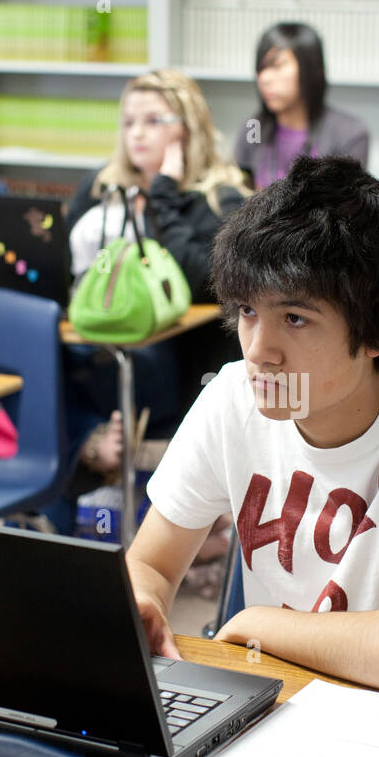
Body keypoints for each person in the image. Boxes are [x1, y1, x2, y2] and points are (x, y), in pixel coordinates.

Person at [128, 156, 379, 757]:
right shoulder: (232, 399)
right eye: (247, 312)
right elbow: (150, 560)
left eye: (294, 318)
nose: (259, 349)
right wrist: (143, 598)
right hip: (275, 714)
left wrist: (252, 627)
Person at [63, 69, 248, 487]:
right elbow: (66, 267)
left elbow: (209, 280)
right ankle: (66, 503)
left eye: (153, 121)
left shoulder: (221, 197)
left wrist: (163, 194)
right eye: (129, 122)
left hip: (180, 355)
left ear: (186, 130)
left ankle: (107, 453)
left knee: (132, 362)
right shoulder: (101, 189)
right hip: (97, 340)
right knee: (36, 358)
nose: (137, 134)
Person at [232, 22, 369, 190]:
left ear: (309, 69)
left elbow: (349, 207)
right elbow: (238, 199)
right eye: (261, 68)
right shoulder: (253, 129)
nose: (264, 78)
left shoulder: (349, 134)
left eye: (277, 66)